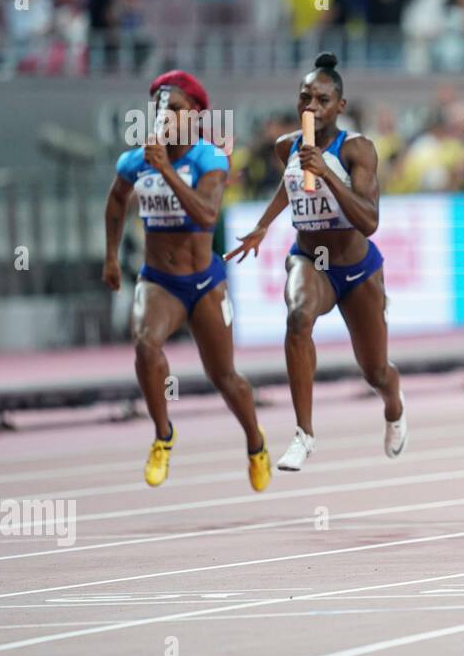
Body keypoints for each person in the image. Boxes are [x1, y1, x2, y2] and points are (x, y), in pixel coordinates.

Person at [227, 53, 407, 470]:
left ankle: (394, 407)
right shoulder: (286, 146)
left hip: (358, 270)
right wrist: (263, 225)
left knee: (376, 371)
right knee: (298, 316)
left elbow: (370, 220)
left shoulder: (358, 150)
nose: (310, 107)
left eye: (321, 100)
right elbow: (288, 187)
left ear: (339, 106)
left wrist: (327, 174)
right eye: (305, 98)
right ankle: (303, 434)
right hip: (310, 260)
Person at [102, 70, 271, 490]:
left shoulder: (209, 158)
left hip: (205, 282)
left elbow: (207, 215)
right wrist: (110, 256)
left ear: (195, 115)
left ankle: (255, 441)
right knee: (145, 343)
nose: (165, 115)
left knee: (224, 376)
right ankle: (163, 435)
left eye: (175, 108)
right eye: (159, 108)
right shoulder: (135, 160)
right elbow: (115, 202)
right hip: (159, 280)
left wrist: (167, 170)